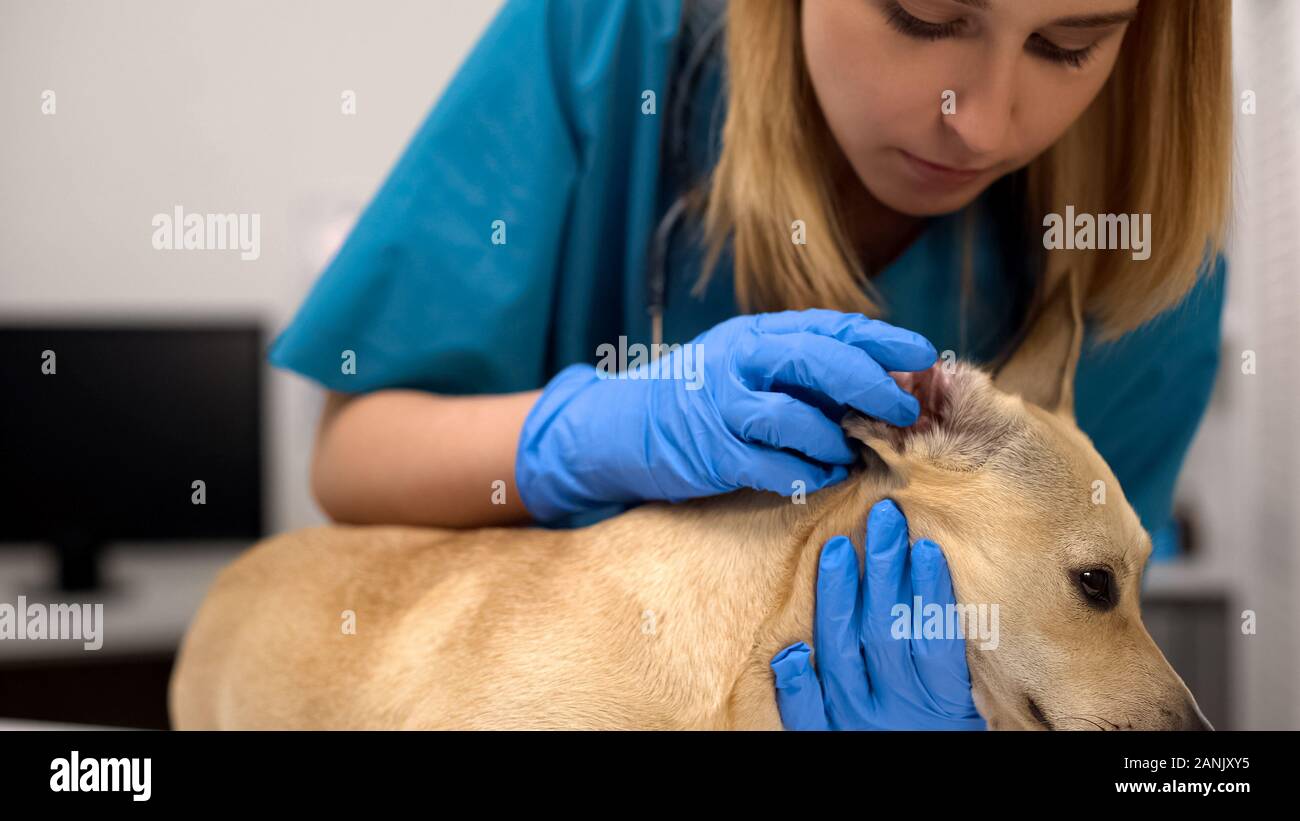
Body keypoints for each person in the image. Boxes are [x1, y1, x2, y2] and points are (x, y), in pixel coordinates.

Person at [269, 0, 1231, 730]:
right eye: (924, 16)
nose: (979, 120)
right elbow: (349, 458)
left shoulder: (1145, 260)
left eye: (1071, 44)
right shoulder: (608, 37)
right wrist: (597, 433)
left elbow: (1083, 650)